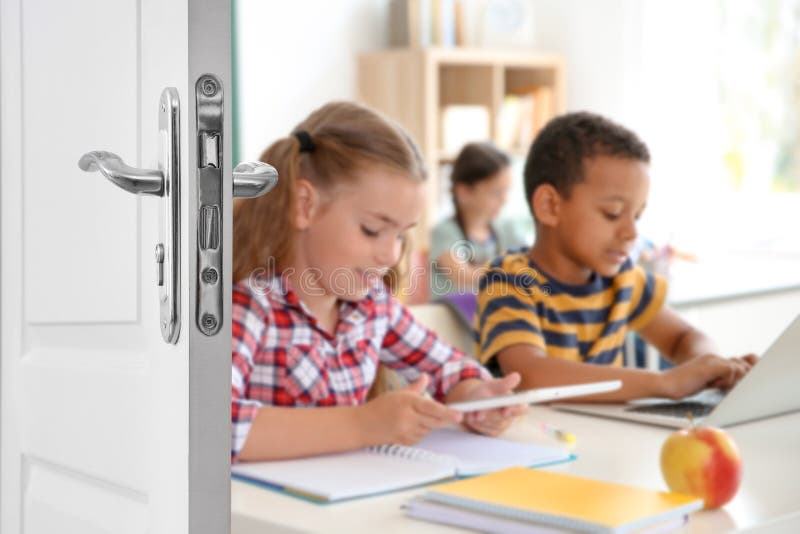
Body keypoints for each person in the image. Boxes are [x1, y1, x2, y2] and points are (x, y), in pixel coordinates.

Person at [231, 102, 526, 462]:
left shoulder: (372, 306)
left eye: (402, 235)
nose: (390, 255)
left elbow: (447, 367)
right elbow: (212, 424)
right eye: (373, 230)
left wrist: (478, 396)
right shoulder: (250, 306)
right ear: (304, 205)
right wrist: (363, 424)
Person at [475, 111, 757, 401]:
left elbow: (684, 338)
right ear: (550, 206)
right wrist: (663, 382)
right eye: (613, 213)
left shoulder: (624, 280)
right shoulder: (509, 279)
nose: (631, 232)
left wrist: (708, 365)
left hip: (604, 440)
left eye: (637, 215)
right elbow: (530, 376)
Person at [429, 142, 526, 298]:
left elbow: (534, 264)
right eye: (495, 193)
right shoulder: (444, 232)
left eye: (506, 192)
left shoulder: (507, 230)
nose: (503, 200)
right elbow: (463, 276)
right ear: (464, 192)